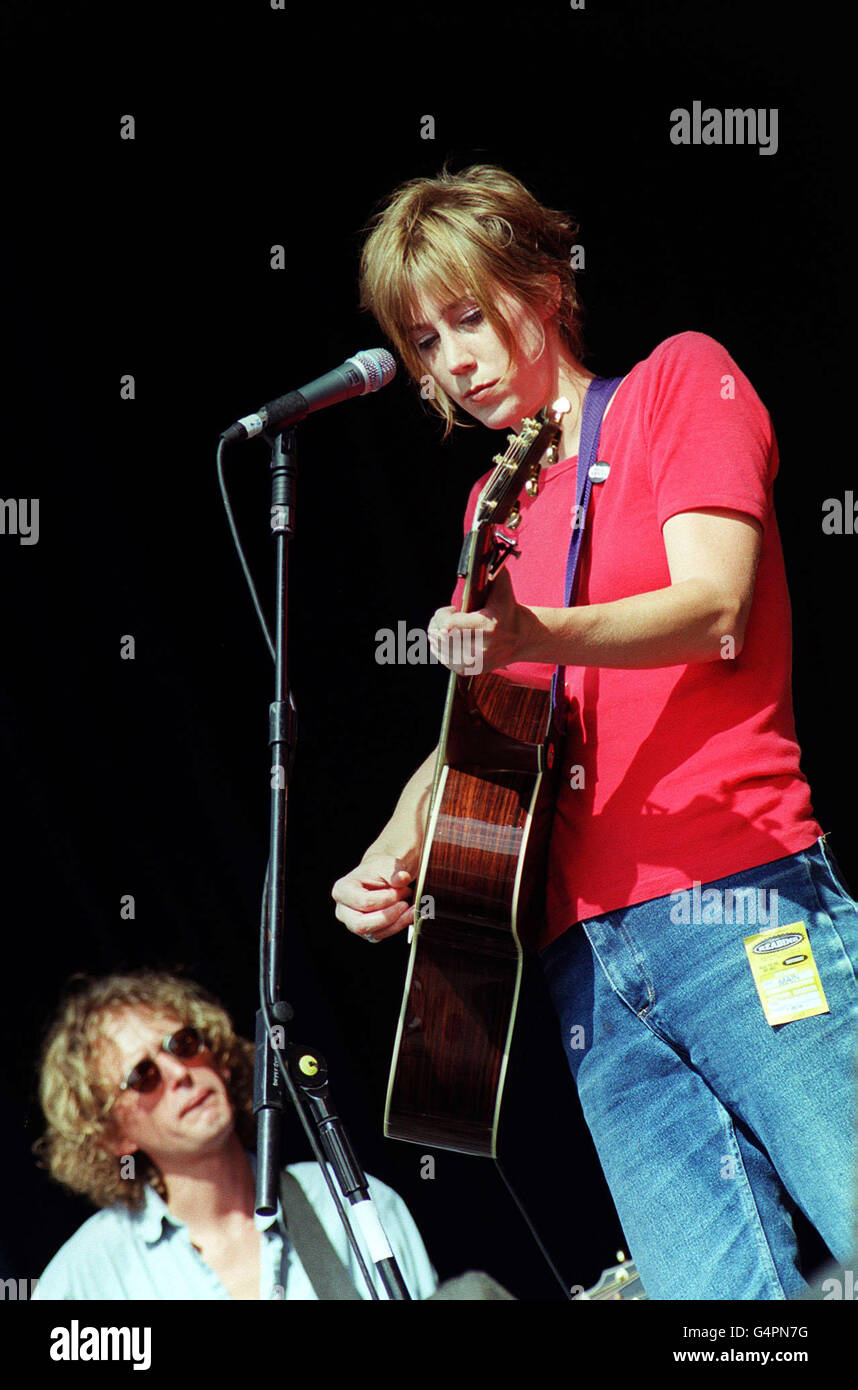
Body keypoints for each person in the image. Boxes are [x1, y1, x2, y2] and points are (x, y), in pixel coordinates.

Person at [332, 163, 858, 1299]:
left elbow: (715, 603)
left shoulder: (680, 380)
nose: (453, 359)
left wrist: (535, 626)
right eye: (423, 341)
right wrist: (393, 844)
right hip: (582, 963)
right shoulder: (492, 507)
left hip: (739, 896)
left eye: (471, 314)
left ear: (550, 280)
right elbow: (489, 720)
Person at [32, 969, 437, 1300]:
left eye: (183, 1044)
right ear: (111, 1136)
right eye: (143, 1076)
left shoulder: (352, 1205)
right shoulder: (84, 1280)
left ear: (220, 1057)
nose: (180, 1074)